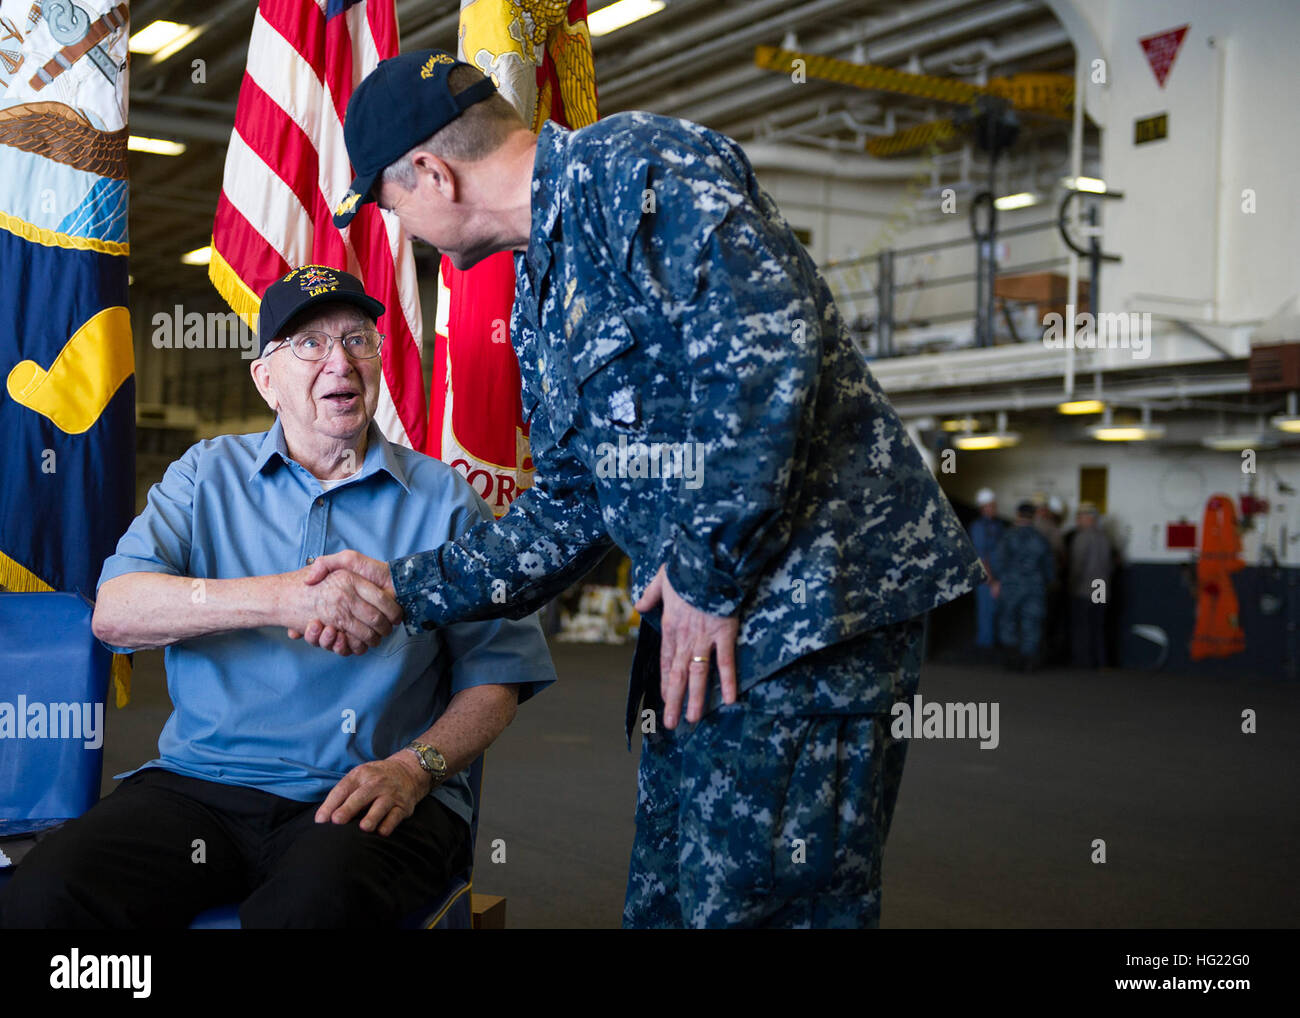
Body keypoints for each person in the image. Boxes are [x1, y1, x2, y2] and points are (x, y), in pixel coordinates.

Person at [320, 50, 985, 929]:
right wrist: (402, 587)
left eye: (389, 205)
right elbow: (570, 504)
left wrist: (707, 575)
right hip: (707, 636)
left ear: (432, 174)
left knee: (771, 910)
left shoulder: (639, 166)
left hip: (808, 618)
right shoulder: (541, 286)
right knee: (671, 906)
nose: (397, 231)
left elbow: (769, 356)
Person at [0, 267, 555, 929]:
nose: (340, 361)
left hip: (365, 795)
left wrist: (417, 767)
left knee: (307, 910)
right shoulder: (205, 477)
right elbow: (119, 611)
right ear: (266, 379)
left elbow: (496, 679)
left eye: (358, 340)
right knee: (41, 898)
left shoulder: (444, 500)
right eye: (309, 344)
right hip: (200, 788)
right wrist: (281, 599)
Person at [991, 501, 1055, 671]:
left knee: (1008, 620)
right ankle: (1029, 662)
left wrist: (997, 581)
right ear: (1033, 516)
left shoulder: (1007, 536)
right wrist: (1045, 583)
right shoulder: (1041, 539)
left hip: (1011, 585)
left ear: (1017, 515)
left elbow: (997, 561)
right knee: (1032, 623)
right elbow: (1049, 567)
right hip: (1035, 587)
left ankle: (1011, 660)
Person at [1068, 502, 1114, 668]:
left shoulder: (1082, 537)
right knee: (1098, 626)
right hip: (1101, 586)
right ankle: (1101, 661)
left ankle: (1084, 663)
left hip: (1085, 588)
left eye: (1079, 517)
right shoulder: (1105, 538)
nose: (1077, 521)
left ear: (1088, 518)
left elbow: (1078, 565)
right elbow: (1110, 566)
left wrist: (1071, 585)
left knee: (1083, 626)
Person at [968, 488, 1005, 655]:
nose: (994, 508)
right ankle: (985, 648)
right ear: (983, 507)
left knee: (995, 611)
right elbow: (981, 554)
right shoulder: (979, 527)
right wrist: (991, 579)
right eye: (990, 505)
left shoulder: (997, 525)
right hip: (988, 577)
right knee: (986, 611)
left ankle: (990, 645)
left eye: (994, 505)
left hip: (998, 575)